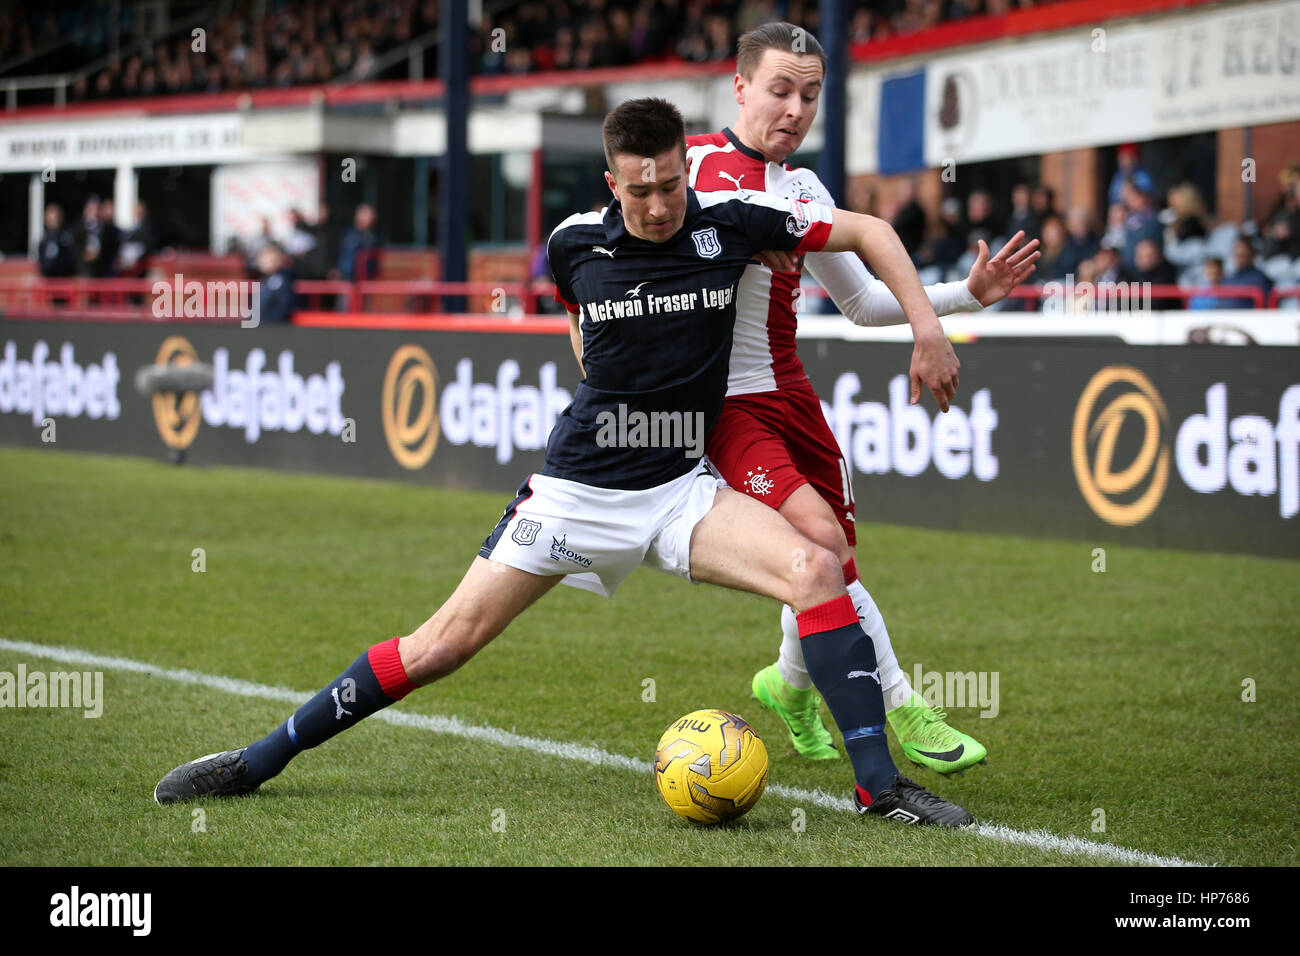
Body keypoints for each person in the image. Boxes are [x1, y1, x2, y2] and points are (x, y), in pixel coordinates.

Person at [154, 97, 974, 827]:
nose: (657, 205)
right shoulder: (573, 243)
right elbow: (581, 324)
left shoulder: (734, 222)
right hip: (575, 496)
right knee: (440, 645)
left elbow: (869, 232)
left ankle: (879, 787)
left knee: (817, 566)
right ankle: (257, 761)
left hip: (681, 492)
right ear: (612, 183)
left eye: (668, 186)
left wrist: (929, 327)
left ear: (685, 170)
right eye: (638, 189)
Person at [685, 22, 1038, 771]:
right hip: (729, 408)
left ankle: (786, 685)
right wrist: (740, 232)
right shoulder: (692, 169)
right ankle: (905, 708)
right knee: (825, 546)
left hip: (794, 397)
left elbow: (864, 304)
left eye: (810, 95)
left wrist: (967, 296)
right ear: (740, 87)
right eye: (780, 90)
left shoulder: (806, 188)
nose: (795, 109)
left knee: (825, 556)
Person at [37, 204, 76, 278]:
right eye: (49, 220)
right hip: (48, 281)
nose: (51, 223)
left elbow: (71, 261)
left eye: (54, 219)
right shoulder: (44, 239)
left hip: (63, 280)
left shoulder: (66, 238)